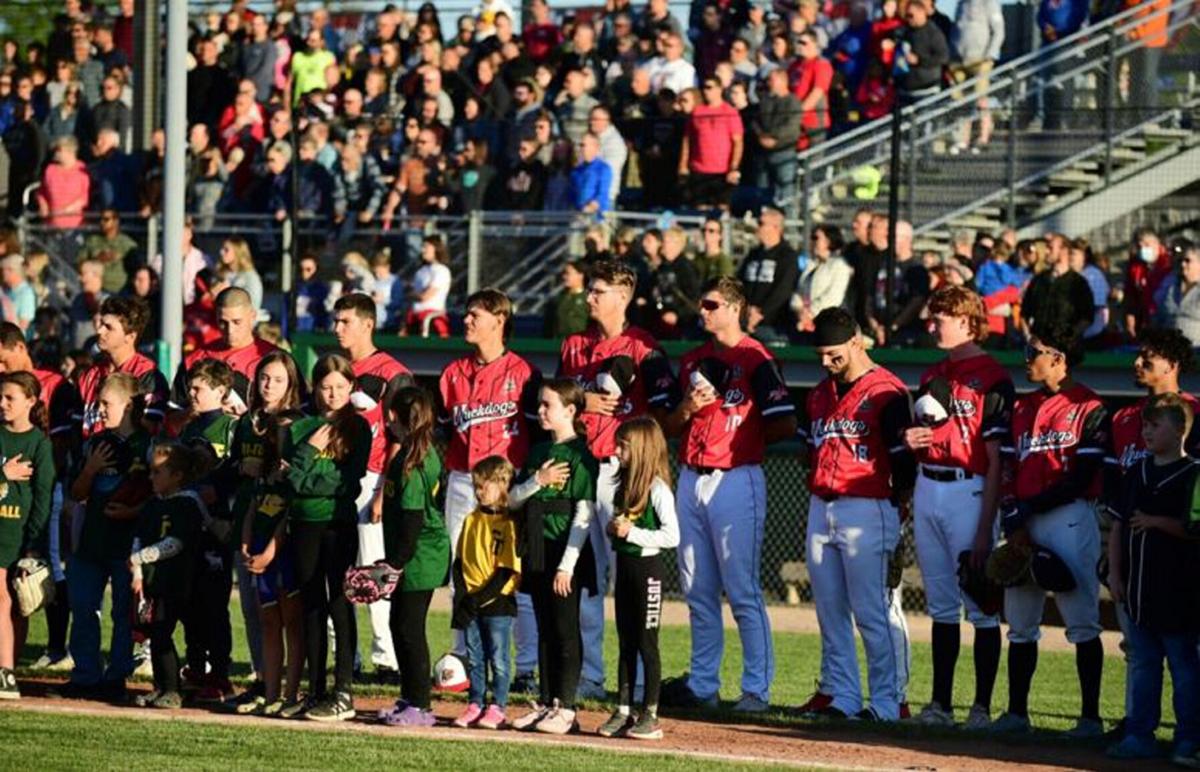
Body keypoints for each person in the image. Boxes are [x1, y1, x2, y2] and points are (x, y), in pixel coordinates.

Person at [660, 276, 797, 713]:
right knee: (696, 587)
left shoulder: (757, 358)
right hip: (690, 475)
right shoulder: (693, 360)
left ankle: (756, 689)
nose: (703, 311)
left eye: (712, 304)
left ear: (735, 308)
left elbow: (785, 422)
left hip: (736, 478)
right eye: (702, 304)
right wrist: (688, 408)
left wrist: (744, 438)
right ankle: (703, 685)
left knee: (741, 589)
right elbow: (667, 426)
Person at [558, 260, 678, 701]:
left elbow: (665, 411)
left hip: (623, 472)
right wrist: (582, 399)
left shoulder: (645, 347)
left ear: (623, 297)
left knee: (631, 574)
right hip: (581, 468)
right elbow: (554, 398)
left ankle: (641, 683)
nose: (589, 297)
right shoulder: (574, 345)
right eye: (590, 289)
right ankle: (591, 676)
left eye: (599, 291)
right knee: (585, 577)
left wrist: (646, 470)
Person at [798, 308, 914, 722]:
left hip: (868, 506)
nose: (826, 362)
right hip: (822, 505)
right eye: (820, 355)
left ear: (856, 342)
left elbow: (904, 463)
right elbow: (808, 449)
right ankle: (843, 696)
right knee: (830, 610)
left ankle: (888, 701)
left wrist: (900, 511)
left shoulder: (887, 392)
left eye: (833, 353)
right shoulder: (819, 393)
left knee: (872, 610)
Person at [992, 322, 1106, 737]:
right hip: (1026, 519)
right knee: (1020, 623)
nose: (1026, 359)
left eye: (1034, 352)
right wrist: (1013, 516)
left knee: (1082, 621)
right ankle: (1017, 714)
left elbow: (1081, 476)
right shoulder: (1022, 408)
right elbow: (1008, 467)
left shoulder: (1089, 406)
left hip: (1068, 518)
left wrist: (1027, 508)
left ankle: (1090, 719)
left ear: (1058, 358)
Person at [904, 287, 1011, 729]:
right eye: (932, 318)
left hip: (970, 490)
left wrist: (986, 527)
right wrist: (912, 440)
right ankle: (940, 705)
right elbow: (923, 435)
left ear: (968, 322)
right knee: (942, 606)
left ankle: (981, 708)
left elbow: (996, 458)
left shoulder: (993, 377)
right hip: (929, 485)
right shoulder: (933, 373)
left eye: (941, 319)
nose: (933, 326)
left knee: (981, 603)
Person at [438, 289, 541, 673]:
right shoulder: (452, 374)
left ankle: (525, 666)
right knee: (460, 570)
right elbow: (445, 431)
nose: (466, 320)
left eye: (475, 315)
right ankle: (464, 657)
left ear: (499, 320)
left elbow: (538, 433)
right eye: (467, 314)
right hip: (464, 479)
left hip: (508, 483)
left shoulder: (525, 373)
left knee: (514, 574)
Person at [1105, 394, 1200, 762]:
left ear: (1180, 431)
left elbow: (1195, 528)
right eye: (1144, 425)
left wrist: (1157, 521)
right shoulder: (1137, 472)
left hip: (1178, 591)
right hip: (1138, 590)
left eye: (1155, 425)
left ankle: (1188, 740)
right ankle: (1139, 735)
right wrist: (1115, 574)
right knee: (1144, 665)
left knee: (1184, 668)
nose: (1146, 431)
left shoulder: (1193, 474)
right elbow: (1118, 525)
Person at [330, 292, 414, 682]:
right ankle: (346, 656)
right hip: (336, 478)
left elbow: (401, 436)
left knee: (375, 570)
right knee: (336, 570)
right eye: (336, 321)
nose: (337, 328)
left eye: (345, 321)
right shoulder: (335, 369)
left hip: (373, 476)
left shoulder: (392, 372)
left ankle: (387, 659)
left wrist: (384, 490)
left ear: (368, 324)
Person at [508, 378, 597, 735]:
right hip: (537, 549)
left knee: (564, 629)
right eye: (540, 404)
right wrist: (538, 481)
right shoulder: (537, 452)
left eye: (548, 405)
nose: (541, 411)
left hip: (564, 553)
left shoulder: (581, 456)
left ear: (570, 410)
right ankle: (546, 704)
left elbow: (584, 514)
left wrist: (567, 567)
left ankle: (567, 708)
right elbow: (513, 499)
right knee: (544, 627)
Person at [286, 355, 369, 722]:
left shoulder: (358, 427)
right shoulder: (301, 426)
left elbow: (347, 482)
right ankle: (316, 689)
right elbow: (290, 478)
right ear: (315, 388)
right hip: (303, 523)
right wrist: (308, 453)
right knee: (311, 605)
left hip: (337, 524)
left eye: (340, 386)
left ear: (351, 387)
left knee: (339, 601)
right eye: (325, 387)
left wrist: (304, 478)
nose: (333, 394)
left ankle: (343, 691)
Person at [62, 372, 153, 700]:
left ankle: (116, 678)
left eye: (106, 403)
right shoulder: (95, 443)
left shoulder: (148, 444)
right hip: (92, 540)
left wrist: (133, 510)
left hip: (128, 544)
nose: (99, 409)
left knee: (122, 613)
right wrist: (90, 469)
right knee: (83, 607)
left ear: (128, 405)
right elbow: (77, 493)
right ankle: (85, 675)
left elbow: (157, 493)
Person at [0, 324, 82, 672]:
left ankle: (55, 646)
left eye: (3, 359)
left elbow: (60, 444)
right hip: (9, 502)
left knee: (41, 572)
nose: (0, 368)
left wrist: (43, 481)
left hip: (45, 491)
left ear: (20, 347)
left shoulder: (55, 385)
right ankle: (11, 664)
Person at [595, 417, 679, 740]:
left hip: (648, 573)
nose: (616, 452)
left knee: (647, 642)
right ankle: (623, 710)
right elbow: (621, 526)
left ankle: (651, 714)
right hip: (625, 570)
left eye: (623, 447)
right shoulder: (623, 486)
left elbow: (672, 536)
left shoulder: (657, 489)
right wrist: (613, 528)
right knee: (626, 641)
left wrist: (632, 533)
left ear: (642, 449)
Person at [233, 352, 305, 716]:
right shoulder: (248, 425)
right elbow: (251, 501)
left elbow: (291, 507)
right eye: (264, 377)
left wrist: (270, 548)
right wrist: (247, 540)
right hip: (257, 534)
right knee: (262, 616)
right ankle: (268, 689)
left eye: (278, 379)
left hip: (283, 544)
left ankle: (291, 694)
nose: (269, 385)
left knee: (292, 618)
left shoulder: (299, 424)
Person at [378, 387, 450, 728]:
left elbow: (412, 519)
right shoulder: (409, 450)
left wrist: (395, 564)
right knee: (399, 624)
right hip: (411, 551)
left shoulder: (414, 459)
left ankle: (421, 706)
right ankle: (409, 699)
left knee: (409, 628)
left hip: (421, 553)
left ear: (396, 416)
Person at [176, 359, 238, 703]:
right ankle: (196, 666)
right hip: (189, 525)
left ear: (220, 390)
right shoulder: (189, 429)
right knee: (189, 601)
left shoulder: (230, 427)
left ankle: (221, 674)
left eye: (199, 388)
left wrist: (221, 489)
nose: (192, 393)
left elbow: (238, 471)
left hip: (217, 526)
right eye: (190, 387)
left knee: (214, 604)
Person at [128, 443, 205, 710]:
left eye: (157, 472)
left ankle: (173, 689)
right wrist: (137, 572)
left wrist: (140, 558)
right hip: (152, 582)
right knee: (153, 633)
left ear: (177, 475)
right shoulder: (152, 505)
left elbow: (175, 543)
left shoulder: (187, 503)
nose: (151, 477)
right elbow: (138, 539)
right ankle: (160, 687)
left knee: (163, 633)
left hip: (176, 581)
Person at [447, 455, 521, 730]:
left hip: (497, 603)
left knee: (498, 659)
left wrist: (479, 598)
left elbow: (506, 571)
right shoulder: (471, 520)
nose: (479, 492)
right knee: (475, 658)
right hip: (471, 602)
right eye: (476, 486)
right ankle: (475, 703)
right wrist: (463, 597)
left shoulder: (508, 523)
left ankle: (497, 707)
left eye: (484, 486)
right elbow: (459, 562)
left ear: (503, 484)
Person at [0, 371, 54, 699]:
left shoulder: (39, 444)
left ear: (31, 401)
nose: (2, 403)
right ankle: (5, 672)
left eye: (10, 398)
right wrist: (3, 473)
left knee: (19, 605)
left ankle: (10, 669)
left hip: (18, 533)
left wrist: (34, 544)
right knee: (1, 599)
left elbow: (43, 497)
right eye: (1, 397)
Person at [173, 287, 278, 416]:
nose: (230, 330)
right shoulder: (195, 360)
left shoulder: (274, 359)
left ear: (252, 316)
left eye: (237, 322)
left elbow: (293, 413)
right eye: (223, 322)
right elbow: (171, 419)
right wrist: (197, 412)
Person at [76, 296, 169, 439]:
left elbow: (148, 430)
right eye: (101, 324)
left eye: (109, 327)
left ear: (130, 337)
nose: (100, 331)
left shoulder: (147, 376)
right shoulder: (89, 376)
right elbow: (75, 430)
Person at [679, 76, 743, 210]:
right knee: (700, 208)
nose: (706, 91)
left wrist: (734, 167)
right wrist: (683, 164)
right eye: (703, 88)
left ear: (719, 89)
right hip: (699, 169)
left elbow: (737, 142)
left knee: (722, 208)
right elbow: (687, 140)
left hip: (722, 170)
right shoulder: (697, 112)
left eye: (709, 87)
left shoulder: (729, 112)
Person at [738, 207, 799, 343]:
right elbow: (739, 284)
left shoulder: (788, 256)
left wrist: (760, 313)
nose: (757, 227)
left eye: (761, 223)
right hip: (746, 321)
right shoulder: (753, 254)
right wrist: (745, 309)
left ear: (776, 228)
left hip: (773, 326)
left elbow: (783, 290)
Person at [795, 225, 853, 335]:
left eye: (816, 238)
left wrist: (810, 313)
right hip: (807, 323)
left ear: (828, 241)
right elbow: (799, 291)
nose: (812, 241)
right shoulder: (811, 265)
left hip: (829, 325)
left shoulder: (839, 266)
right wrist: (800, 311)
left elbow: (833, 296)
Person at [405, 235, 452, 338]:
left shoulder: (442, 271)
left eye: (426, 247)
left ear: (436, 248)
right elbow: (411, 294)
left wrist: (413, 295)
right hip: (414, 319)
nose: (423, 250)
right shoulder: (420, 271)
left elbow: (425, 296)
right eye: (422, 247)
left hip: (431, 321)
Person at [1156, 240, 1200, 347]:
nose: (1183, 264)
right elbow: (1159, 317)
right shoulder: (1169, 286)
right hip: (1169, 349)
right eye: (1180, 260)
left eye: (1187, 261)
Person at [215, 238, 264, 316]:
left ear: (237, 252)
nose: (221, 252)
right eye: (222, 249)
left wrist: (227, 293)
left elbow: (253, 306)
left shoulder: (250, 277)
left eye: (226, 250)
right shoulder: (220, 274)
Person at [569, 132, 612, 218]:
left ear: (595, 147)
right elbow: (572, 195)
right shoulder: (576, 171)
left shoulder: (603, 169)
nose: (581, 148)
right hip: (578, 218)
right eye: (580, 145)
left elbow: (602, 194)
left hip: (596, 219)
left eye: (584, 145)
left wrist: (591, 207)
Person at [545, 261, 589, 339]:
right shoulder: (558, 299)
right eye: (564, 273)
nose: (564, 277)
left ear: (580, 275)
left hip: (580, 343)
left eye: (568, 273)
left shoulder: (588, 298)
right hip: (558, 343)